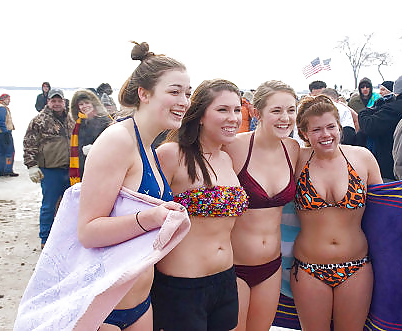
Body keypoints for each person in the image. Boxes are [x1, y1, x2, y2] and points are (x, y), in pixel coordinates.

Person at [76, 41, 191, 330]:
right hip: (104, 309)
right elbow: (88, 231)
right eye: (174, 91)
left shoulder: (149, 146)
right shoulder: (118, 141)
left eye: (187, 93)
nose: (184, 101)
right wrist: (150, 218)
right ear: (145, 93)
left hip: (139, 303)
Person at [153, 79, 248, 330]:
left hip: (226, 280)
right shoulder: (172, 154)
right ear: (201, 115)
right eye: (223, 109)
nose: (233, 117)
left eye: (237, 110)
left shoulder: (226, 159)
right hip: (182, 284)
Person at [290, 94, 382, 330]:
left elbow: (386, 207)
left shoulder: (363, 158)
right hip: (309, 268)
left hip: (357, 266)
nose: (326, 134)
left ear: (340, 127)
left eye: (331, 127)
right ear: (304, 133)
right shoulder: (295, 160)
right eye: (317, 129)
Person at [223, 80, 300, 330]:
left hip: (271, 267)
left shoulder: (293, 148)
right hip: (233, 266)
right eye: (276, 111)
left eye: (291, 110)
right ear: (258, 113)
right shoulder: (234, 147)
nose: (285, 118)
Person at [23, 88, 75, 246]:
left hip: (71, 169)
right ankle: (45, 239)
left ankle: (68, 238)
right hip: (50, 170)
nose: (57, 104)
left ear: (64, 102)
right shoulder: (39, 120)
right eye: (54, 101)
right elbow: (29, 143)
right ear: (48, 102)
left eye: (60, 101)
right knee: (49, 206)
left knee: (71, 205)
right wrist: (31, 166)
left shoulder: (71, 119)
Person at [358, 74, 402, 181]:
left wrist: (368, 110)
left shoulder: (394, 108)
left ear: (397, 91)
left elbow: (369, 125)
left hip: (391, 165)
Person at [69, 89, 113, 185]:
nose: (84, 106)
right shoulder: (79, 124)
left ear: (93, 103)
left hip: (103, 168)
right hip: (84, 168)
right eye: (81, 104)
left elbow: (114, 144)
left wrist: (95, 149)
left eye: (87, 103)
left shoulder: (105, 120)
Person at [0, 93, 18, 177]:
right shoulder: (1, 108)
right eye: (8, 99)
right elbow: (1, 122)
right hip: (4, 133)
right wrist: (5, 132)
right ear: (4, 99)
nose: (9, 101)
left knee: (1, 152)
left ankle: (1, 169)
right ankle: (8, 169)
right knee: (9, 152)